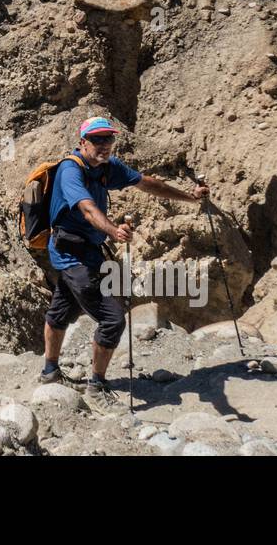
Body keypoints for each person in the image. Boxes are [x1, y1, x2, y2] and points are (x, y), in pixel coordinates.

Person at [39, 116, 208, 417]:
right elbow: (88, 209)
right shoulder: (70, 170)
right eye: (97, 140)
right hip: (70, 253)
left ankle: (50, 372)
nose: (104, 145)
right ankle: (96, 387)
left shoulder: (107, 168)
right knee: (113, 319)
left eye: (108, 139)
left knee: (61, 307)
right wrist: (113, 231)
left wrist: (189, 198)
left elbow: (147, 183)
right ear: (83, 143)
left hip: (86, 251)